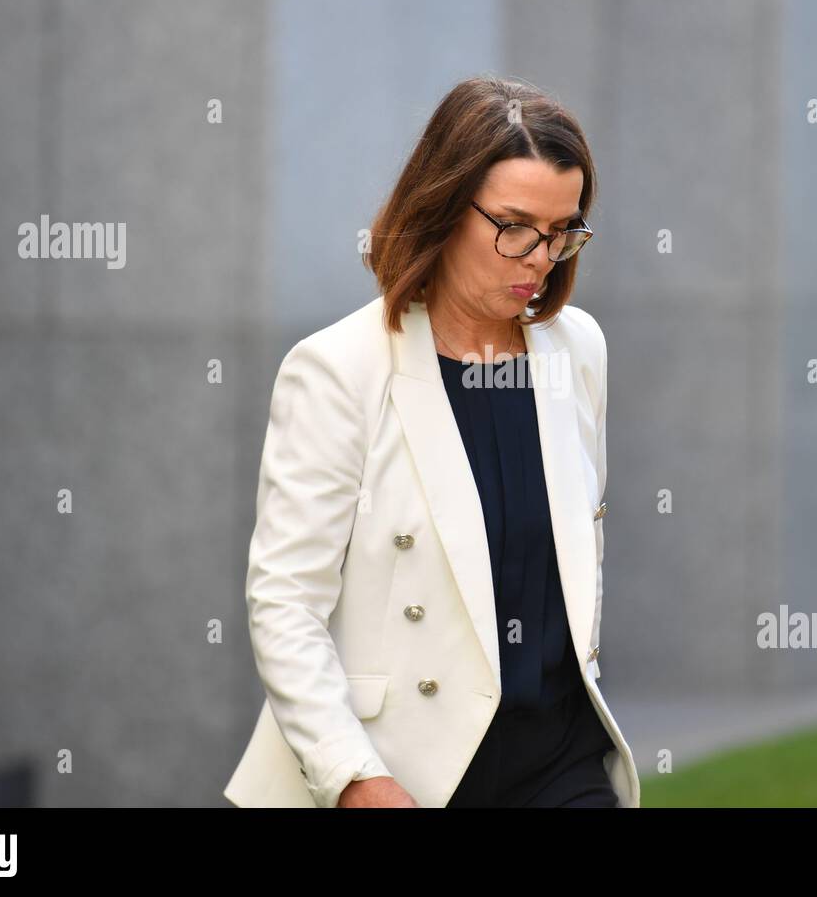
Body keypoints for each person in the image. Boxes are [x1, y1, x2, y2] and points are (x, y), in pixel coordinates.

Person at [223, 75, 640, 808]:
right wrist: (354, 777)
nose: (540, 257)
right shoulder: (337, 370)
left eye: (562, 230)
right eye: (513, 227)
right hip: (405, 772)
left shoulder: (578, 350)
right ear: (445, 209)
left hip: (562, 764)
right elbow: (285, 601)